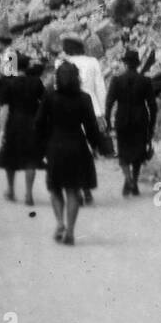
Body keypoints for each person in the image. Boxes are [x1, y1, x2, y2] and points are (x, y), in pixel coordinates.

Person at [34, 60, 107, 246]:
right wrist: (97, 146)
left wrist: (40, 147)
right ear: (77, 78)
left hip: (55, 146)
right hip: (77, 146)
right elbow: (91, 127)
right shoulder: (84, 98)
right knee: (73, 190)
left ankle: (59, 223)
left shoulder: (50, 97)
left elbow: (39, 124)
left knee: (55, 188)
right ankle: (71, 231)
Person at [105, 48, 159, 198]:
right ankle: (133, 181)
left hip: (122, 118)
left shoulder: (116, 80)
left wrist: (108, 122)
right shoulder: (145, 81)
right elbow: (153, 106)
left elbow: (109, 103)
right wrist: (152, 125)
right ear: (137, 64)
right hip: (140, 119)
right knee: (138, 153)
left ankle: (128, 179)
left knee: (123, 152)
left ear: (125, 64)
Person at [0, 54, 46, 204]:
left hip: (14, 123)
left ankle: (11, 190)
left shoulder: (9, 83)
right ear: (28, 66)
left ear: (15, 67)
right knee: (31, 159)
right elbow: (44, 102)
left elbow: (4, 109)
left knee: (10, 157)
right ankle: (29, 194)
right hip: (32, 122)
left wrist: (2, 129)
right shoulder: (36, 82)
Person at [60, 35, 108, 202]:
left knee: (71, 152)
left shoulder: (61, 64)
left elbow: (57, 88)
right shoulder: (93, 62)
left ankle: (77, 188)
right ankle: (87, 188)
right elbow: (100, 89)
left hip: (68, 112)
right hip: (91, 109)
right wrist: (103, 113)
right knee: (87, 152)